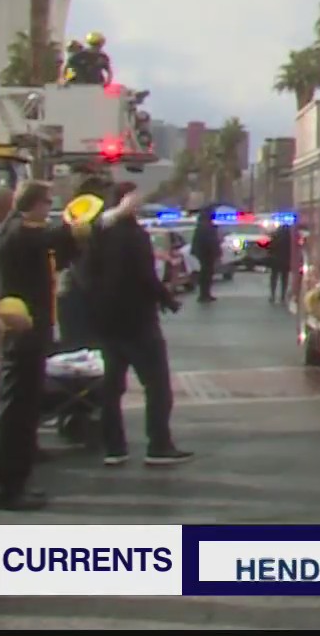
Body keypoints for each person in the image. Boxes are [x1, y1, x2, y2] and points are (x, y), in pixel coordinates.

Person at [88, 183, 192, 466]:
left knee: (112, 386)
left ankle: (114, 447)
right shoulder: (134, 236)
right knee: (156, 384)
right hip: (138, 320)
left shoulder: (98, 233)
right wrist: (167, 299)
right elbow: (145, 276)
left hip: (107, 321)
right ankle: (158, 444)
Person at [0, 179, 56, 512]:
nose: (49, 210)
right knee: (16, 410)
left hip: (22, 332)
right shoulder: (18, 232)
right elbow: (59, 238)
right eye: (47, 202)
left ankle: (14, 481)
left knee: (20, 408)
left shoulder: (8, 231)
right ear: (35, 204)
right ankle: (8, 486)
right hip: (22, 333)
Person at [191, 208, 221, 304]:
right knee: (206, 274)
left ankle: (205, 294)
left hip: (205, 253)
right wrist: (216, 251)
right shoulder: (206, 227)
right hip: (206, 253)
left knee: (206, 273)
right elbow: (210, 241)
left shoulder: (202, 226)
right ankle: (204, 294)